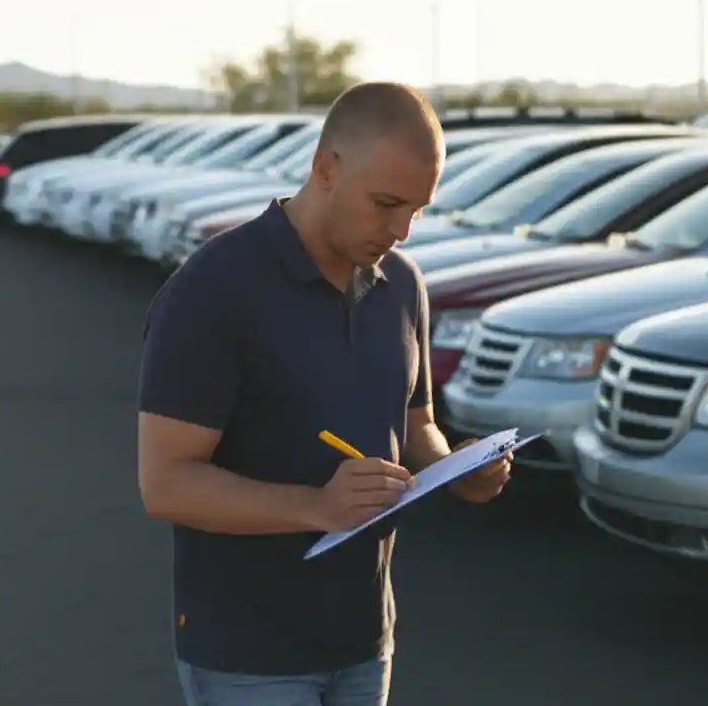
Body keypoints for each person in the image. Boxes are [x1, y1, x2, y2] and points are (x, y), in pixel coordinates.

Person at [136, 82, 513, 706]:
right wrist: (317, 506)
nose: (402, 230)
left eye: (416, 210)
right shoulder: (212, 289)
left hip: (365, 642)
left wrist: (455, 469)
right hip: (248, 654)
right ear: (326, 168)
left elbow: (416, 423)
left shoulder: (402, 285)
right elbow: (166, 483)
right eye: (387, 203)